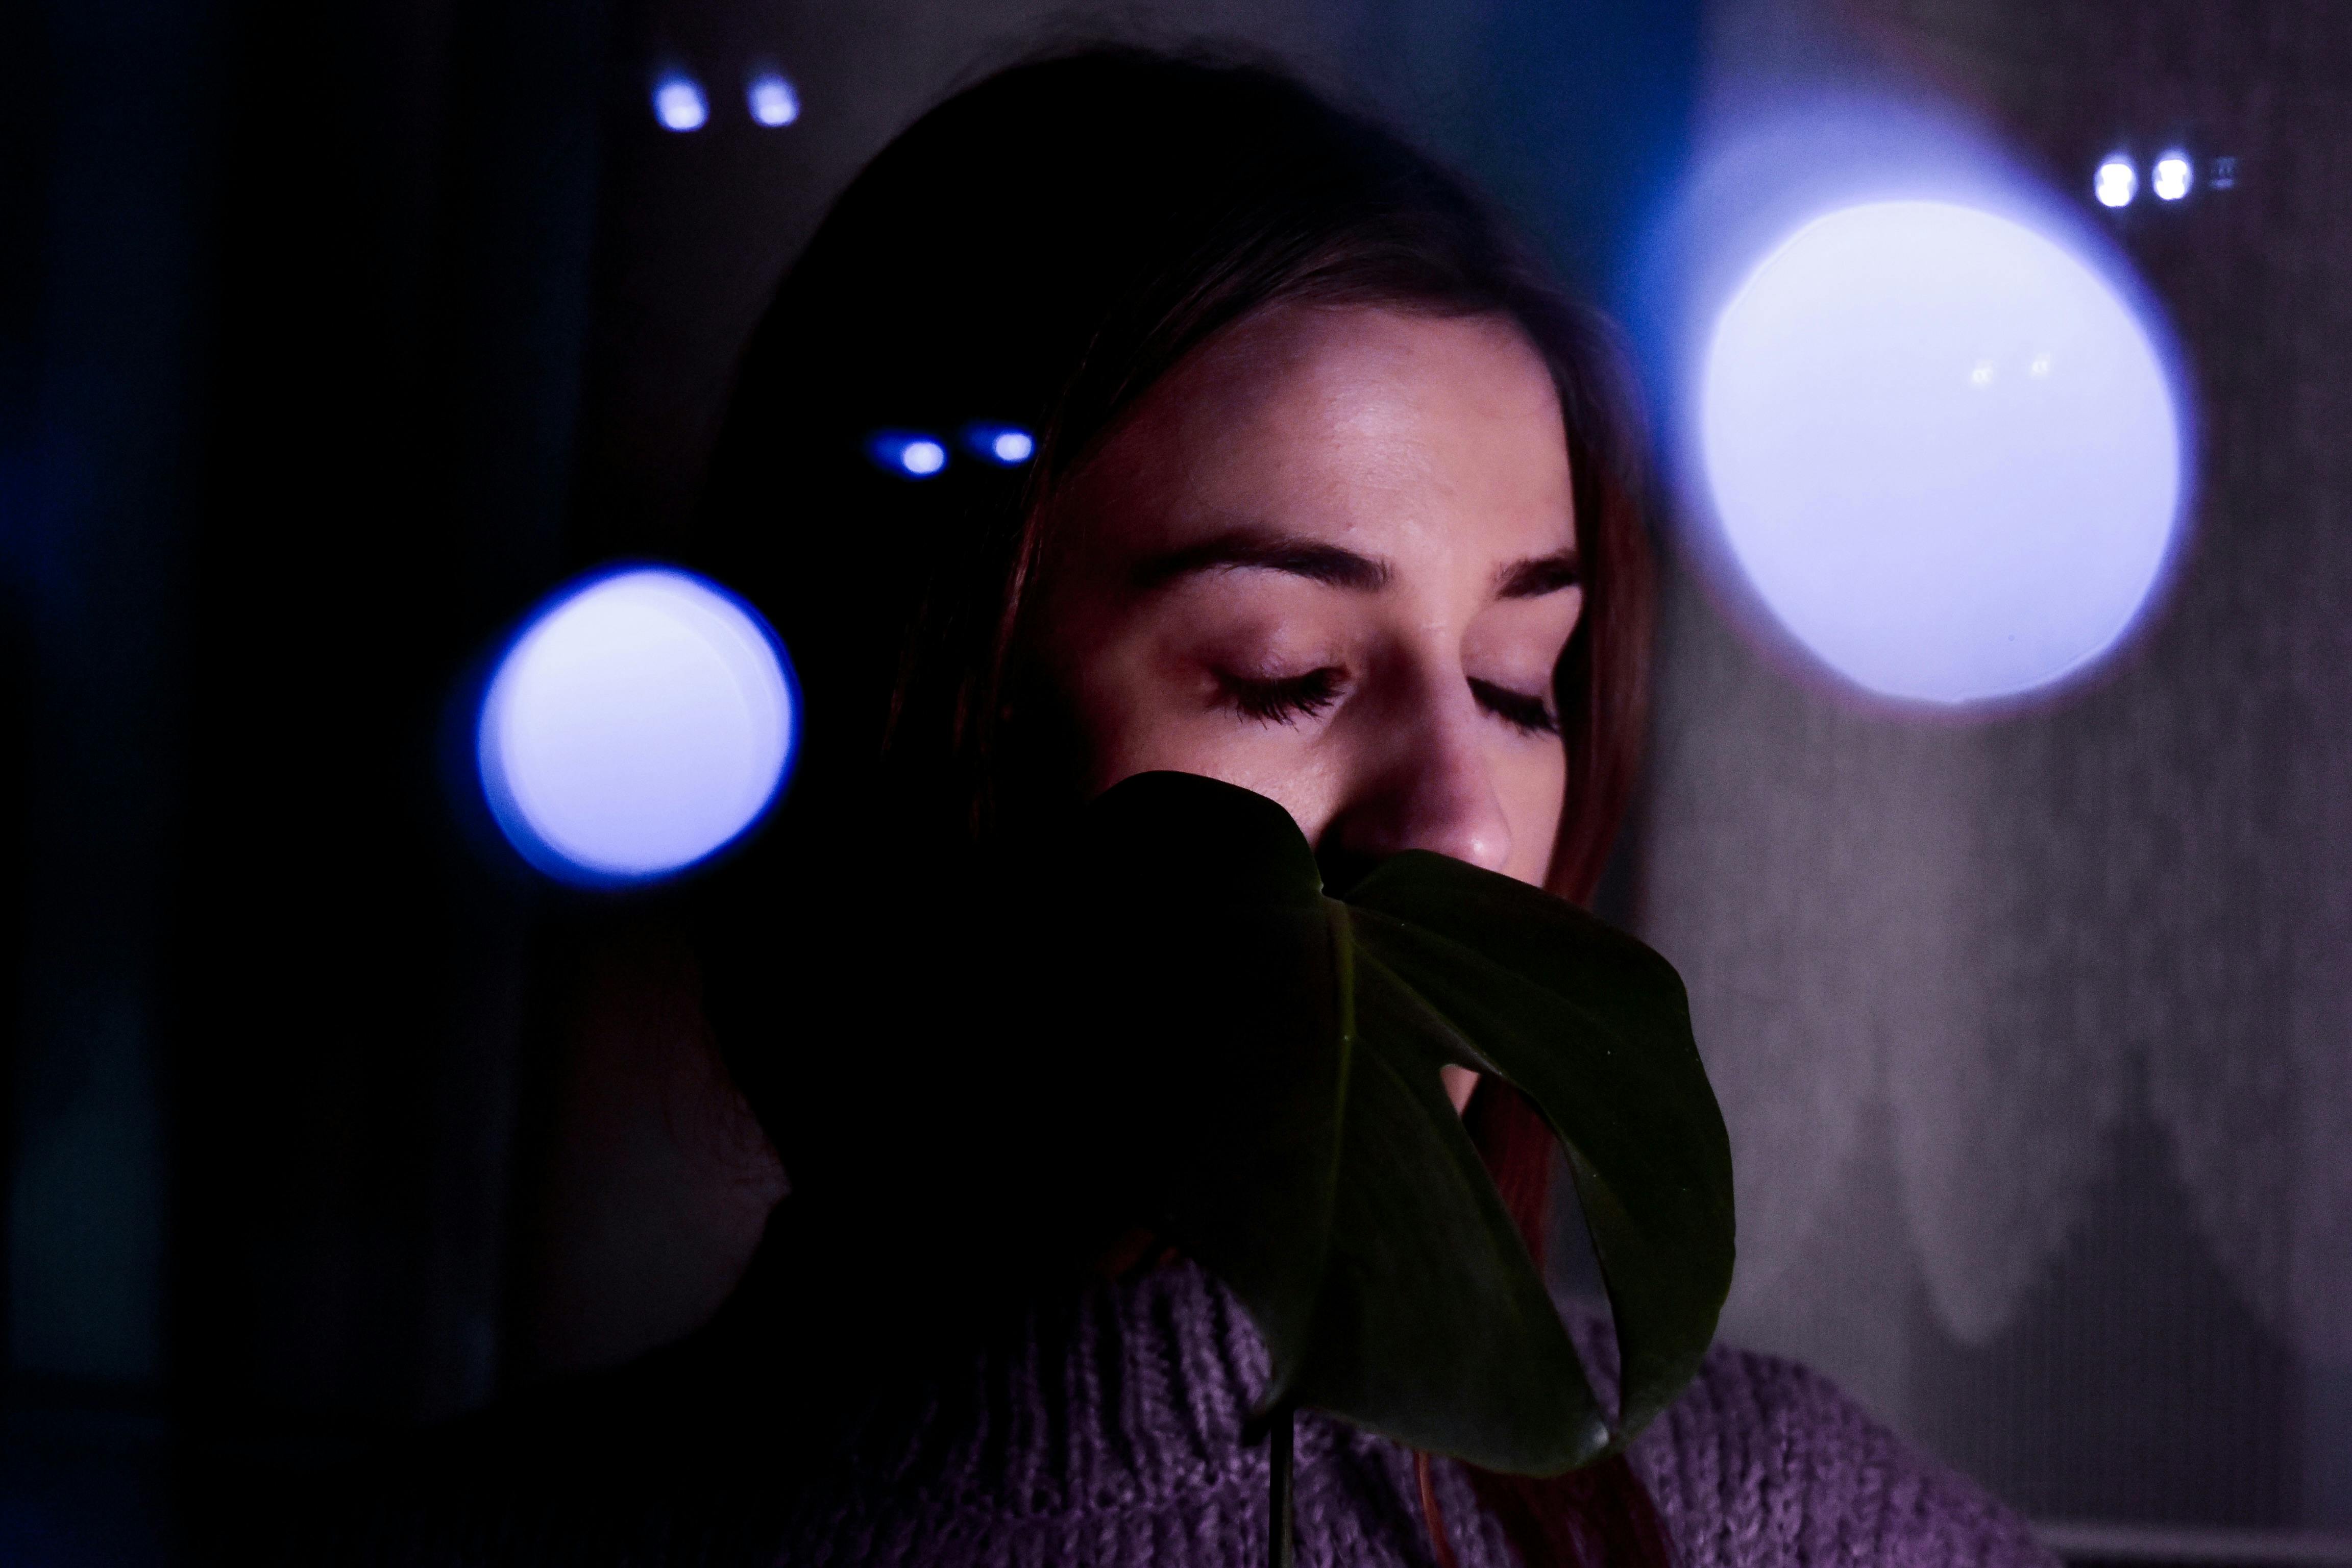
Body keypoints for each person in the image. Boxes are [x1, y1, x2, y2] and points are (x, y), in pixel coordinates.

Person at [320, 46, 2056, 1568]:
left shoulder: (1777, 1527)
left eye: (1525, 684)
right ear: (932, 714)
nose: (1462, 822)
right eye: (1290, 671)